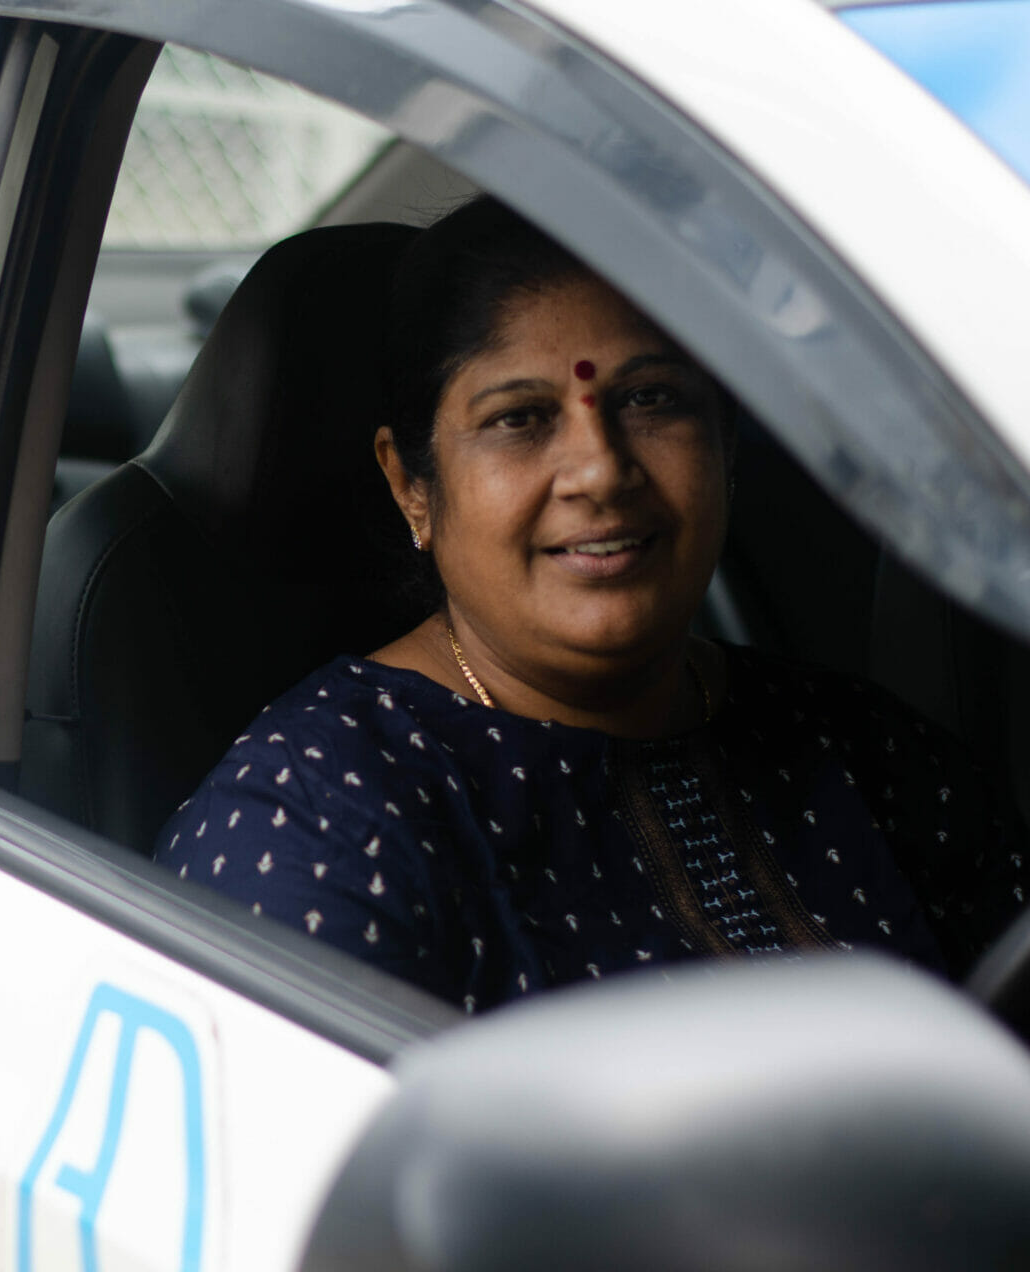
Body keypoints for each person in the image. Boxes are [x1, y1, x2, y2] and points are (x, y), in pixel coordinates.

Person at [155, 197, 1027, 1014]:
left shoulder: (868, 752)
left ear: (725, 443)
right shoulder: (313, 821)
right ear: (412, 485)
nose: (602, 471)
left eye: (651, 400)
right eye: (520, 418)